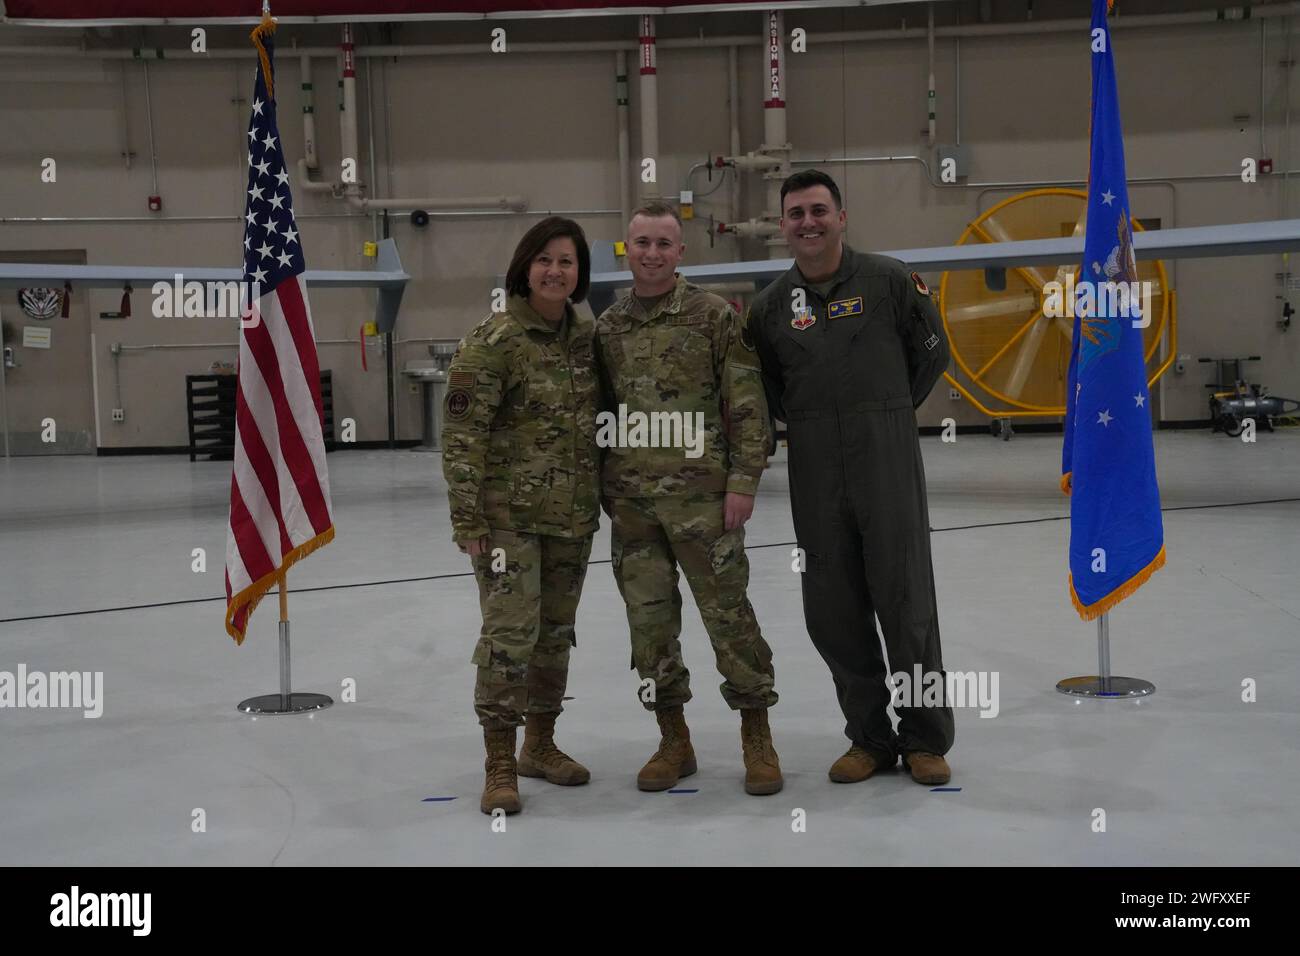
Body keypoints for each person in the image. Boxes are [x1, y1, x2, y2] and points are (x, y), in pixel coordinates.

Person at [746, 170, 955, 786]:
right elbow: (770, 390)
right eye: (795, 214)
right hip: (815, 467)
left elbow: (932, 350)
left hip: (886, 457)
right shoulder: (768, 309)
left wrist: (887, 410)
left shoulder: (890, 280)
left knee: (905, 600)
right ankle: (868, 739)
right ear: (783, 226)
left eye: (818, 210)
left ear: (841, 217)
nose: (807, 222)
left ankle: (924, 739)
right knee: (832, 607)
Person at [594, 201, 781, 796]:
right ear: (627, 249)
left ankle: (757, 734)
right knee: (649, 629)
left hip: (705, 503)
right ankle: (673, 738)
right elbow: (599, 414)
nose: (651, 254)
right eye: (640, 242)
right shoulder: (609, 326)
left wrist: (744, 481)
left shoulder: (714, 316)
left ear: (681, 253)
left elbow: (747, 401)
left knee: (729, 619)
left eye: (663, 244)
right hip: (634, 508)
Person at [442, 216, 601, 815]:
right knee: (509, 638)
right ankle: (500, 761)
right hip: (508, 521)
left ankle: (541, 743)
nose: (556, 271)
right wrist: (468, 523)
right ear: (524, 267)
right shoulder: (494, 339)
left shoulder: (585, 341)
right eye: (545, 260)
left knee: (555, 635)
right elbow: (461, 436)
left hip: (572, 518)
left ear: (579, 272)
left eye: (567, 261)